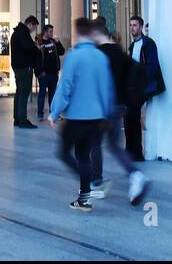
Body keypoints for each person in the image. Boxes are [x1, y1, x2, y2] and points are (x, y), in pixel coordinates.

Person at [48, 17, 115, 212]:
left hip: (77, 118)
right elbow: (107, 89)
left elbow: (65, 87)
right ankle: (84, 197)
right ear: (91, 33)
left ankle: (90, 185)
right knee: (83, 156)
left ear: (77, 33)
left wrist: (54, 112)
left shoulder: (74, 56)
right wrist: (107, 114)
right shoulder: (101, 57)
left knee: (64, 153)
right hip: (96, 117)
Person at [89, 18, 150, 206]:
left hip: (103, 107)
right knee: (113, 145)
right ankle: (136, 175)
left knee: (94, 144)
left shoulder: (98, 54)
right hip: (119, 105)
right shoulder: (120, 51)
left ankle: (96, 183)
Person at [125, 15, 165, 162]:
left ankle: (136, 153)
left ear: (141, 27)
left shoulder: (148, 43)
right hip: (133, 86)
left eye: (135, 25)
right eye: (130, 25)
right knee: (129, 116)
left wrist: (140, 82)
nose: (132, 28)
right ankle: (130, 151)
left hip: (143, 87)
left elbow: (152, 65)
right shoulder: (132, 46)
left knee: (133, 116)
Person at [9, 15, 41, 128]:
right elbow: (28, 49)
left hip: (17, 66)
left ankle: (17, 118)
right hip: (24, 66)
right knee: (24, 93)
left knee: (19, 92)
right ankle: (22, 119)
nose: (34, 30)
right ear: (30, 24)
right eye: (34, 27)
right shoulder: (23, 33)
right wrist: (36, 48)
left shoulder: (16, 33)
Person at [35, 23, 65, 121]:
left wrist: (58, 42)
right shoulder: (39, 42)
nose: (52, 33)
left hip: (54, 73)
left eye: (52, 31)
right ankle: (40, 114)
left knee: (53, 94)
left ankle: (53, 113)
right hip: (44, 74)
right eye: (50, 31)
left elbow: (62, 51)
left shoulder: (53, 42)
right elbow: (36, 59)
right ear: (45, 32)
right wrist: (39, 72)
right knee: (42, 94)